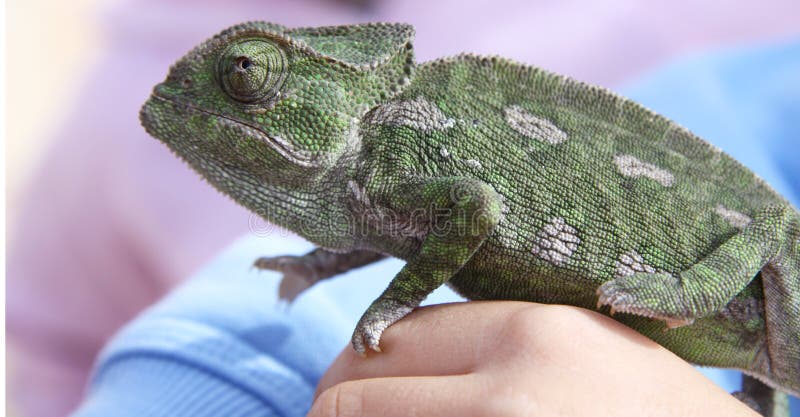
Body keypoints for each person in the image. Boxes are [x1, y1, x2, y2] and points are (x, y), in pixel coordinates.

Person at [8, 0, 799, 415]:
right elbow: (406, 217)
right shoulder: (749, 101)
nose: (229, 101)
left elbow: (474, 206)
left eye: (246, 79)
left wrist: (394, 303)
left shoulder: (393, 141)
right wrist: (326, 263)